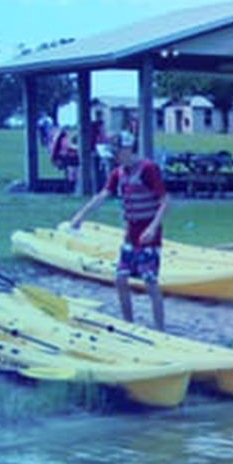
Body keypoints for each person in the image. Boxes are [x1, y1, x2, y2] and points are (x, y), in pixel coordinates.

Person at [67, 141, 170, 330]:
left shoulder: (148, 169)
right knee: (121, 279)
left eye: (116, 153)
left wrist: (153, 228)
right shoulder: (118, 173)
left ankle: (160, 328)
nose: (114, 158)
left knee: (150, 281)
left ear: (127, 150)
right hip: (131, 235)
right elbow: (102, 196)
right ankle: (128, 323)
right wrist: (80, 217)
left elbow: (165, 201)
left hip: (149, 236)